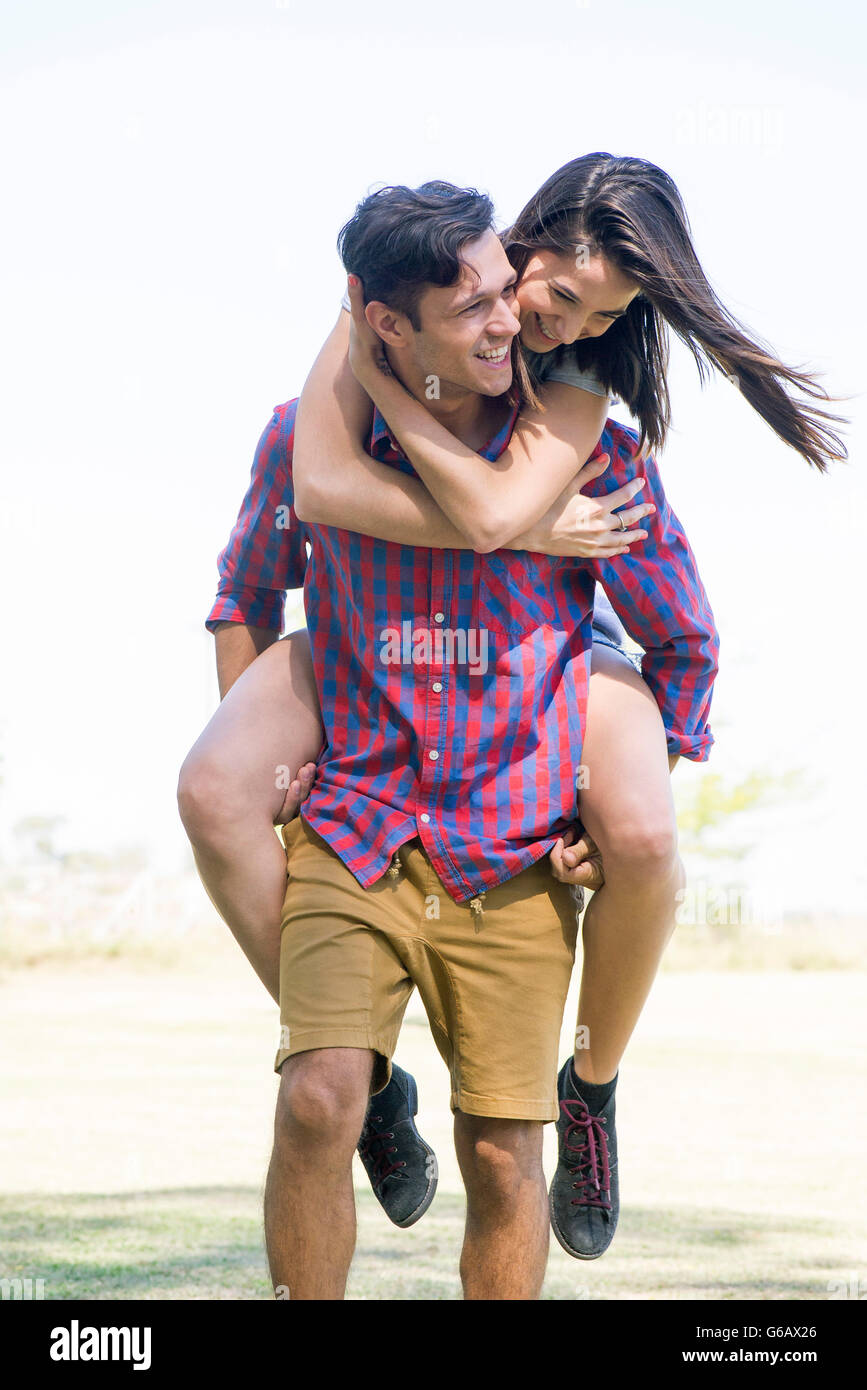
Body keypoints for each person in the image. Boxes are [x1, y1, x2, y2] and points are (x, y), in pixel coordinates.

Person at [179, 154, 844, 1269]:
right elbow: (259, 570)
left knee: (637, 837)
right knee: (215, 792)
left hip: (550, 689)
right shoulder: (327, 403)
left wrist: (641, 761)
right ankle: (358, 1066)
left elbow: (676, 631)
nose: (529, 324)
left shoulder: (585, 409)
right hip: (369, 756)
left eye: (590, 310)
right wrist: (282, 748)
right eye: (519, 295)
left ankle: (593, 1085)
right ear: (507, 257)